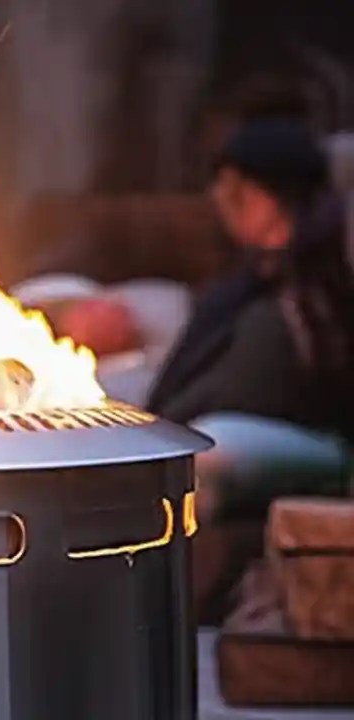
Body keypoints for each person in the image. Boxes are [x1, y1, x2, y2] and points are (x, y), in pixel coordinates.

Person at [148, 119, 353, 522]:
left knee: (203, 456)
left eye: (239, 191)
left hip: (320, 432)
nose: (223, 202)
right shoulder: (248, 275)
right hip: (236, 415)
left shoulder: (326, 270)